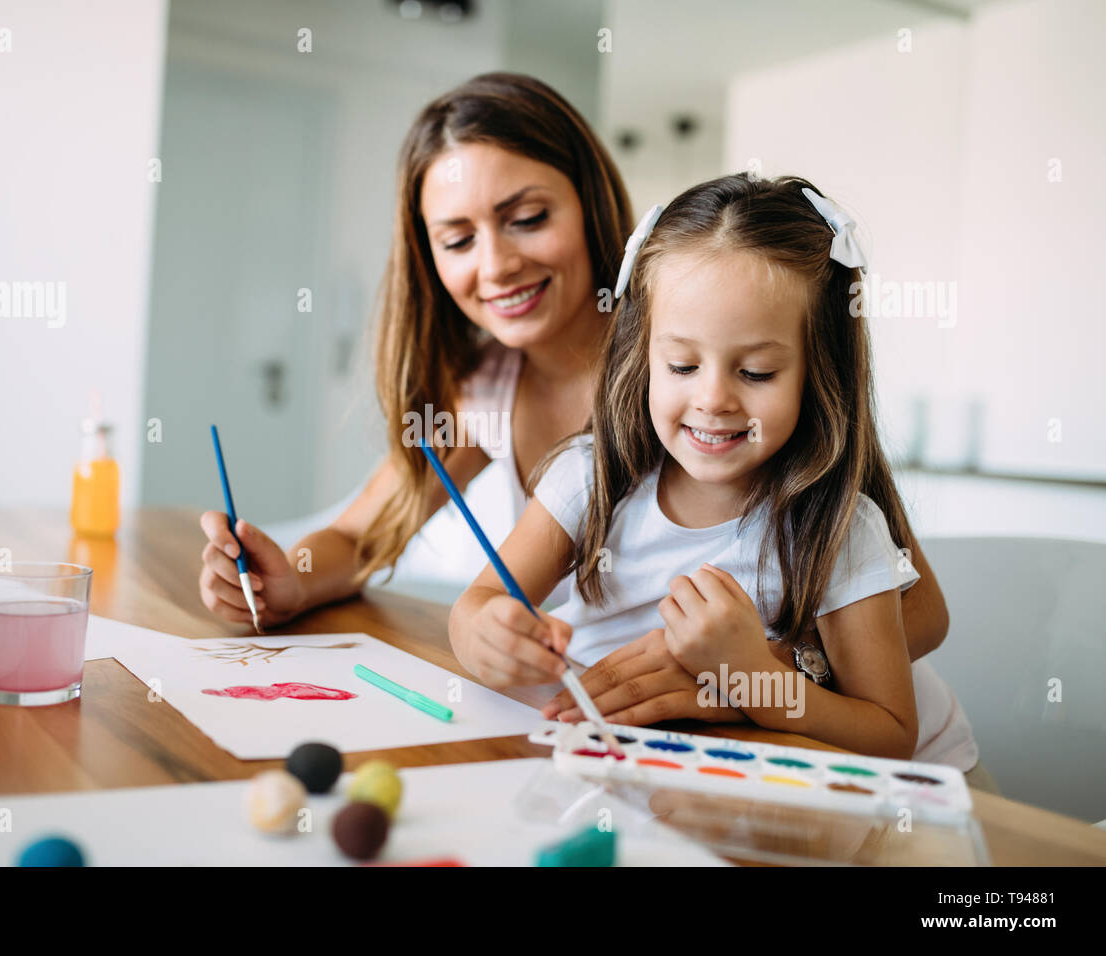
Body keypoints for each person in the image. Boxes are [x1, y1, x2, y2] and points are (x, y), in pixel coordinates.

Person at [197, 74, 953, 738]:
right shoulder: (486, 391)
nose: (497, 263)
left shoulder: (717, 343)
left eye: (527, 218)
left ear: (590, 205)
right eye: (457, 239)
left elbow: (920, 613)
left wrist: (749, 676)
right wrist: (283, 576)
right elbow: (363, 537)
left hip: (808, 742)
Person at [450, 174, 986, 779]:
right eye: (681, 364)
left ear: (820, 373)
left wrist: (750, 677)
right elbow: (481, 602)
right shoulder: (591, 475)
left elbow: (888, 734)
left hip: (899, 797)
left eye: (756, 372)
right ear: (642, 352)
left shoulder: (837, 523)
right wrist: (482, 636)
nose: (712, 399)